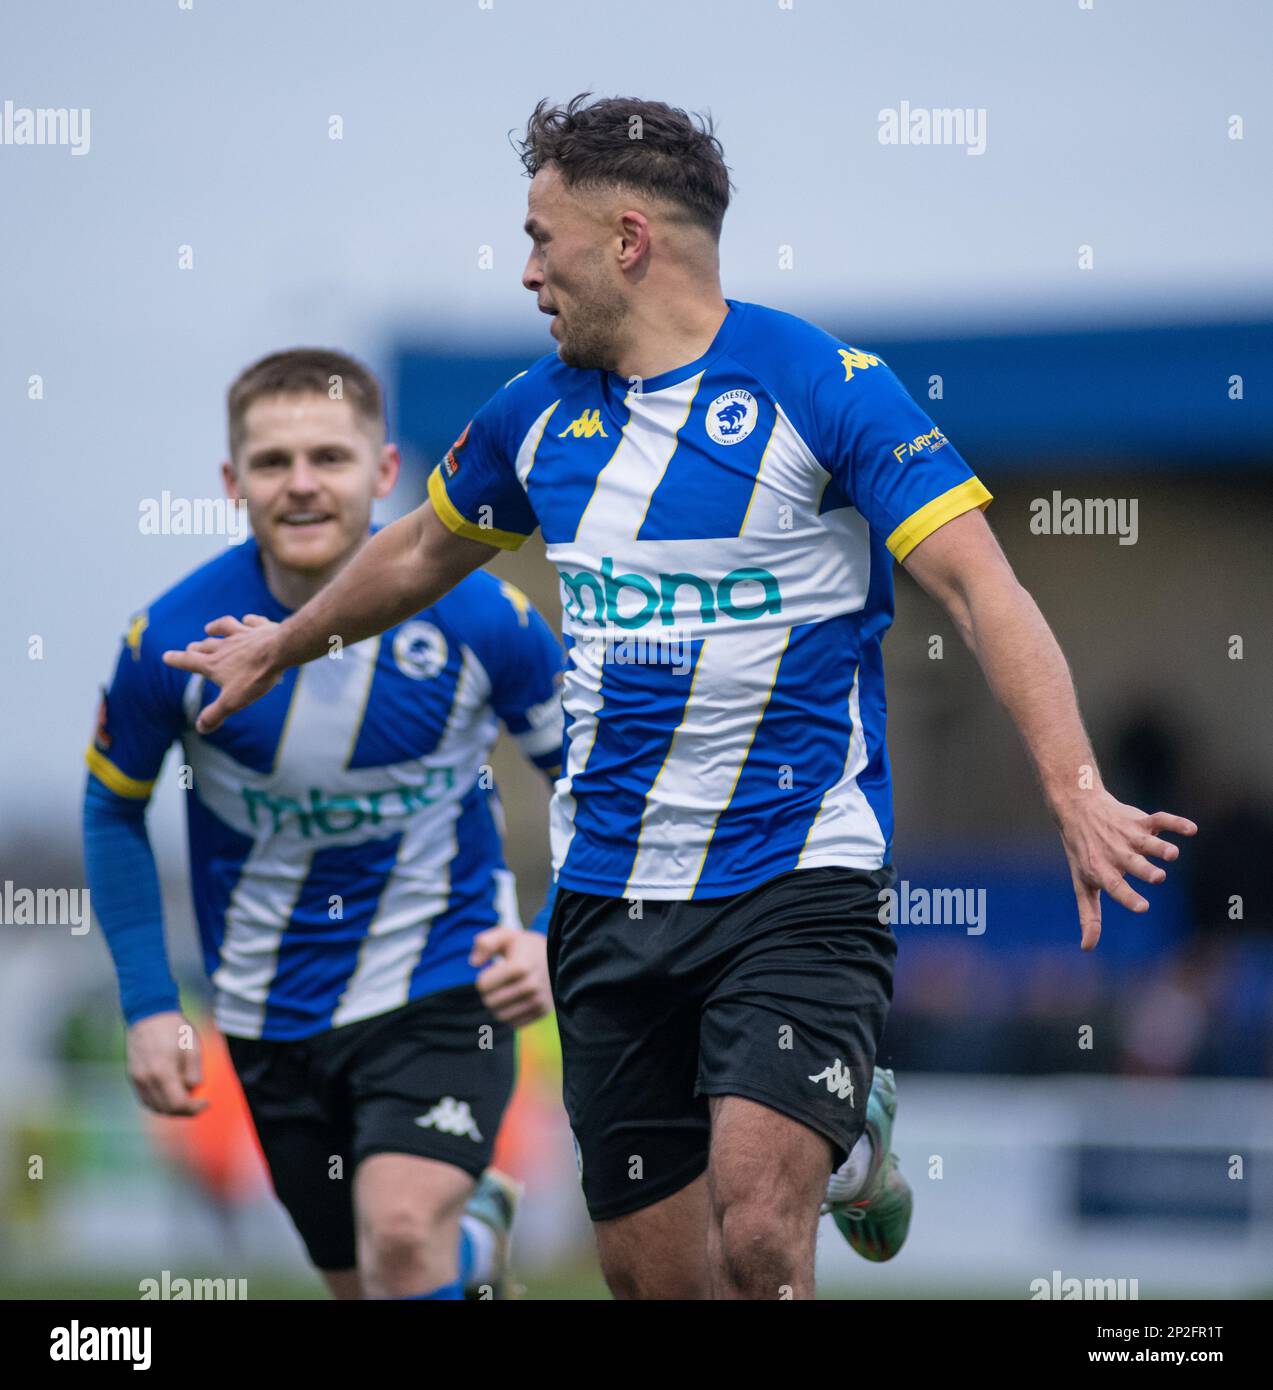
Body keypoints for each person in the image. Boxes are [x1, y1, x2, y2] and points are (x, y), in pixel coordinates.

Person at [161, 97, 1196, 1300]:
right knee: (659, 1279)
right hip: (608, 900)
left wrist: (1074, 790)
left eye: (544, 238)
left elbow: (982, 589)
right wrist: (285, 641)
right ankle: (853, 1134)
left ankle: (827, 1140)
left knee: (759, 1238)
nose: (528, 270)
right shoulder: (533, 415)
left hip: (794, 877)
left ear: (629, 240)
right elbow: (419, 553)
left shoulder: (823, 385)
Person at [84, 349, 564, 1300]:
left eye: (329, 458)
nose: (300, 484)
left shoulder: (485, 618)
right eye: (271, 462)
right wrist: (147, 1005)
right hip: (268, 1011)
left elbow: (597, 782)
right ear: (232, 483)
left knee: (396, 1241)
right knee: (366, 1283)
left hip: (441, 988)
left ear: (386, 472)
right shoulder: (169, 640)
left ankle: (448, 1248)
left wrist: (556, 939)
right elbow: (112, 807)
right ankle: (476, 1254)